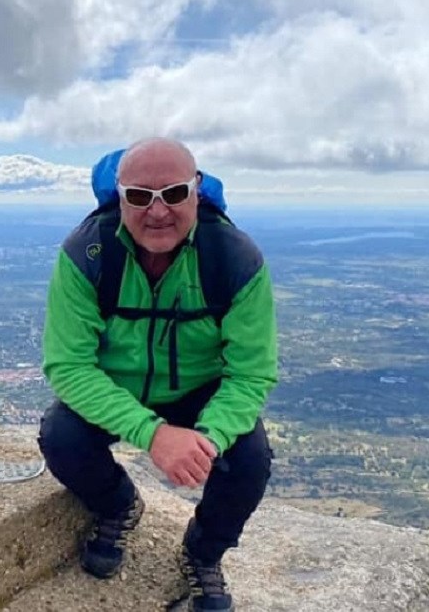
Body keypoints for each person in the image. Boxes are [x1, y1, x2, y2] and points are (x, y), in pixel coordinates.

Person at [38, 137, 278, 612]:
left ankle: (203, 553)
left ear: (197, 190)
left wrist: (206, 438)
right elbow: (67, 365)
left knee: (249, 457)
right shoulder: (88, 254)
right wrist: (153, 434)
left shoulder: (233, 259)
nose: (158, 211)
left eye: (172, 194)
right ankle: (118, 505)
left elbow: (251, 375)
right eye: (140, 197)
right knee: (61, 435)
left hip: (197, 390)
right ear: (121, 197)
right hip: (117, 387)